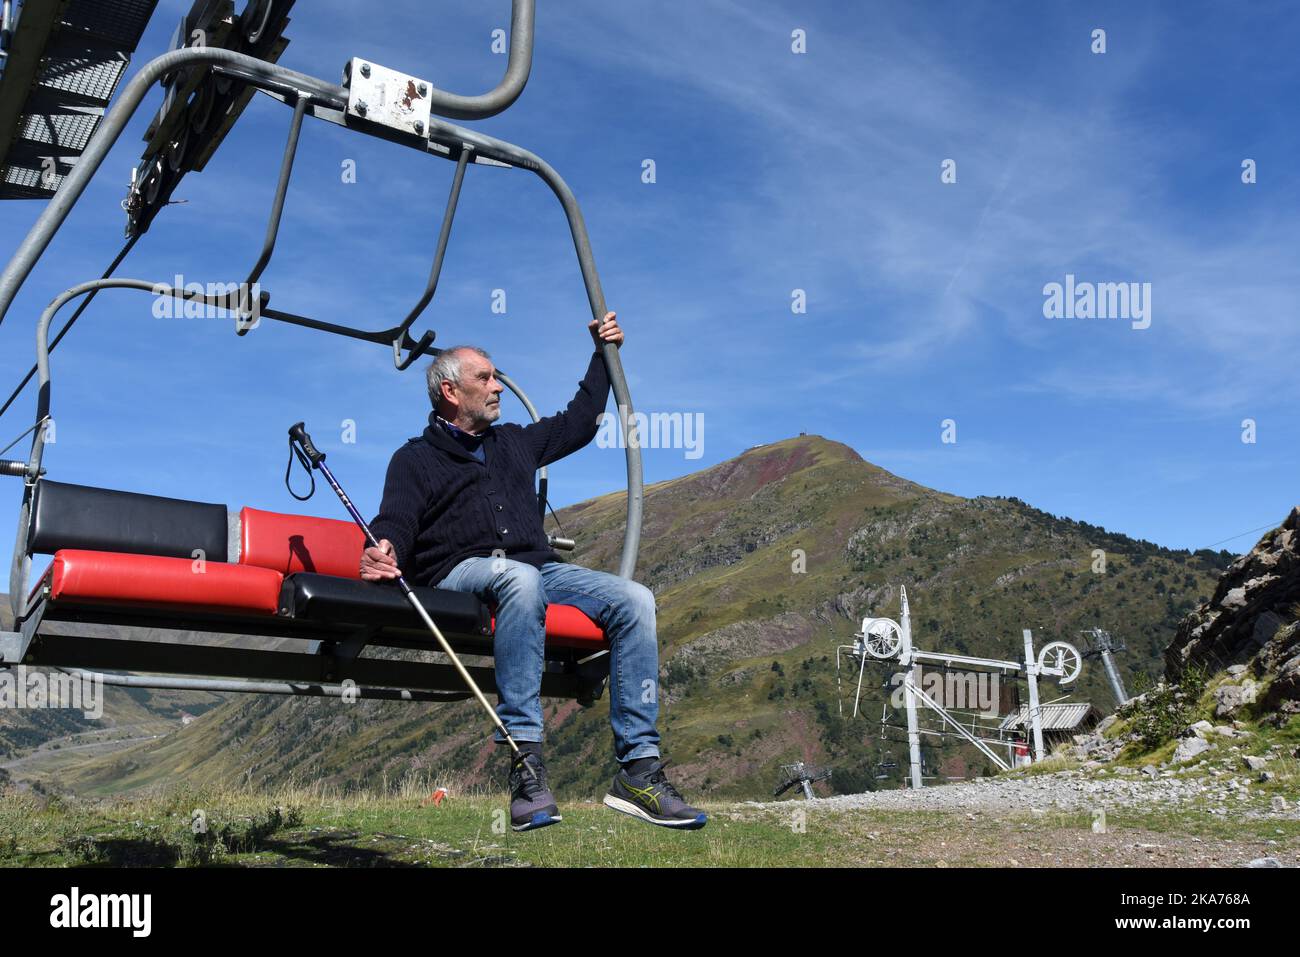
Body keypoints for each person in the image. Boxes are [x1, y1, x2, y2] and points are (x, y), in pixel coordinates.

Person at [360, 312, 706, 832]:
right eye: (485, 378)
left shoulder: (514, 443)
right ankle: (526, 763)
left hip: (537, 568)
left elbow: (579, 422)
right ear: (451, 391)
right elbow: (396, 521)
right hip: (459, 571)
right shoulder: (414, 459)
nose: (497, 386)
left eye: (496, 377)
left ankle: (639, 770)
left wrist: (602, 355)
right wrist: (382, 548)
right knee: (517, 580)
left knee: (634, 598)